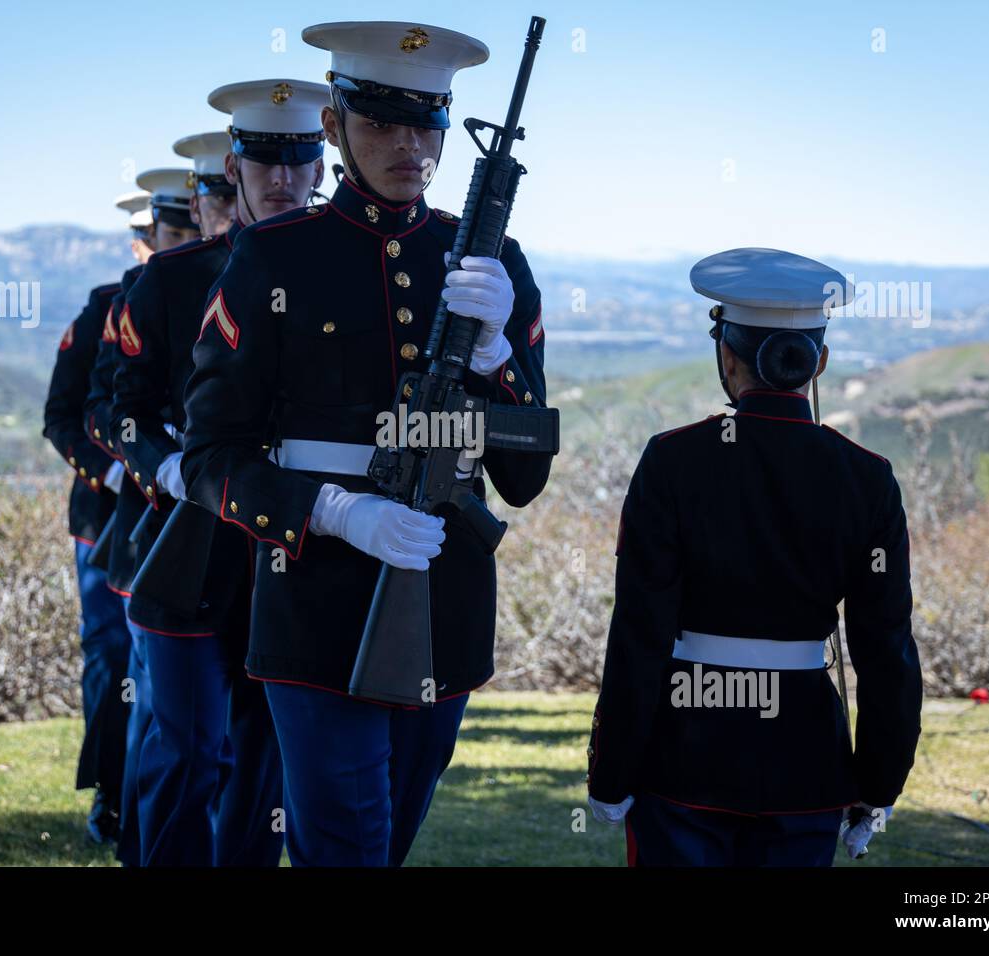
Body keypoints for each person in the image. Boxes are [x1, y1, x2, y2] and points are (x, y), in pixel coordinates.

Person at [180, 21, 553, 867]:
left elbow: (524, 475)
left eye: (428, 123)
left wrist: (498, 354)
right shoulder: (273, 258)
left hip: (442, 599)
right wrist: (336, 513)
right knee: (344, 845)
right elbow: (210, 457)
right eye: (382, 122)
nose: (409, 146)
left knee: (387, 843)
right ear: (333, 127)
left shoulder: (498, 262)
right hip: (312, 596)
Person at [586, 247, 923, 866]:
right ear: (818, 361)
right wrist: (877, 786)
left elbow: (640, 632)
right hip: (807, 768)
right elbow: (886, 651)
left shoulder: (674, 461)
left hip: (685, 758)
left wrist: (612, 774)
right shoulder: (869, 478)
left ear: (727, 354)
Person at [114, 85, 327, 867]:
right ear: (234, 166)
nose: (284, 175)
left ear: (322, 164)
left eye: (302, 156)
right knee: (191, 753)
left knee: (263, 770)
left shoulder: (338, 273)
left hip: (294, 552)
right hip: (190, 544)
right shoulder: (169, 280)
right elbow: (121, 410)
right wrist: (167, 467)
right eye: (267, 157)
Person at [80, 172, 199, 863]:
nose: (182, 242)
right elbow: (82, 412)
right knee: (120, 668)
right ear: (147, 238)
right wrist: (127, 465)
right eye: (172, 233)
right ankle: (116, 802)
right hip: (128, 520)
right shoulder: (114, 303)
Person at [40, 193, 148, 844]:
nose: (151, 243)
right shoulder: (102, 306)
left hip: (176, 516)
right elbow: (61, 416)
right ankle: (112, 792)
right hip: (104, 519)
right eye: (146, 233)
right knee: (111, 654)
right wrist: (111, 474)